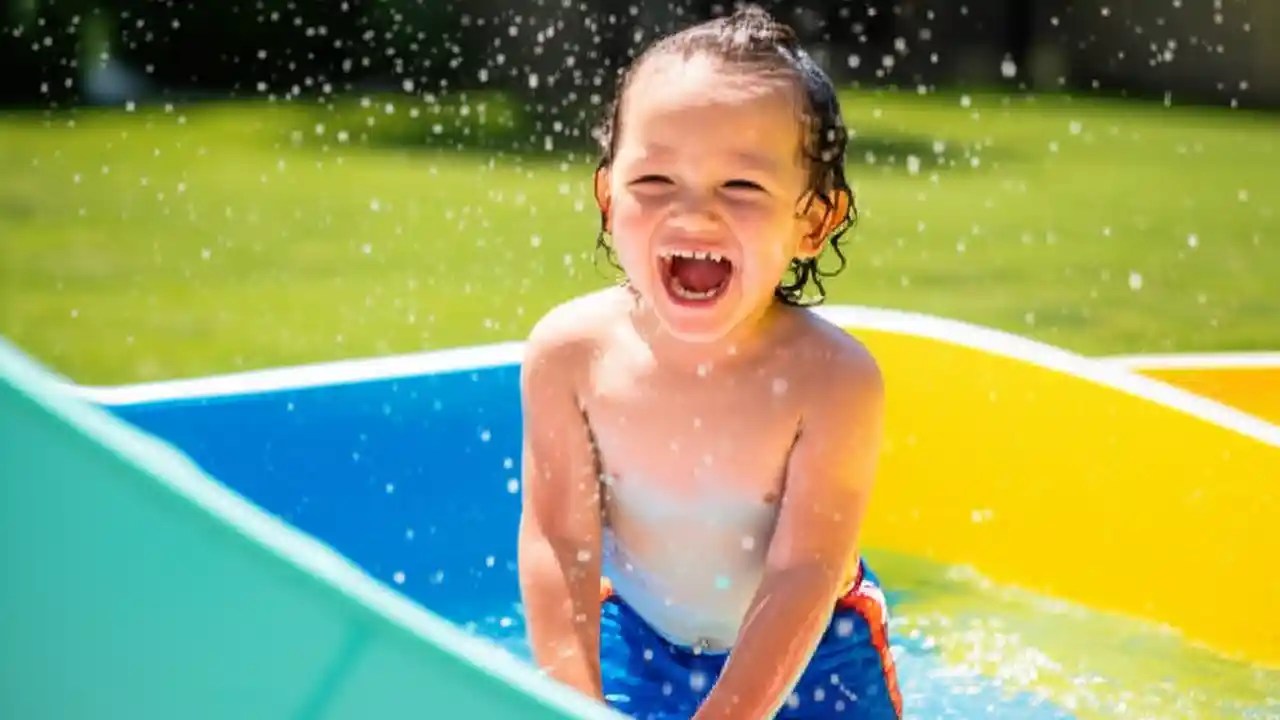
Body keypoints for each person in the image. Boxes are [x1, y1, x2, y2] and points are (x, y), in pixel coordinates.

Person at [517, 5, 900, 719]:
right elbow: (558, 540)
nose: (693, 214)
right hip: (638, 638)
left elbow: (802, 573)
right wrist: (572, 706)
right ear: (607, 199)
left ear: (813, 222)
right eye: (654, 181)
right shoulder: (570, 355)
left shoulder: (833, 378)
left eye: (742, 187)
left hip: (819, 649)